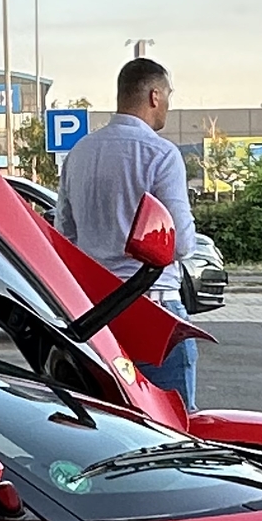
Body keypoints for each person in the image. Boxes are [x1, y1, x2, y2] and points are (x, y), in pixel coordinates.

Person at [55, 56, 199, 406]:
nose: (167, 104)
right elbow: (179, 243)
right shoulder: (161, 154)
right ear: (154, 96)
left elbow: (65, 237)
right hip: (154, 315)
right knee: (173, 431)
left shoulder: (79, 154)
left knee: (106, 421)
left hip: (95, 318)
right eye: (168, 95)